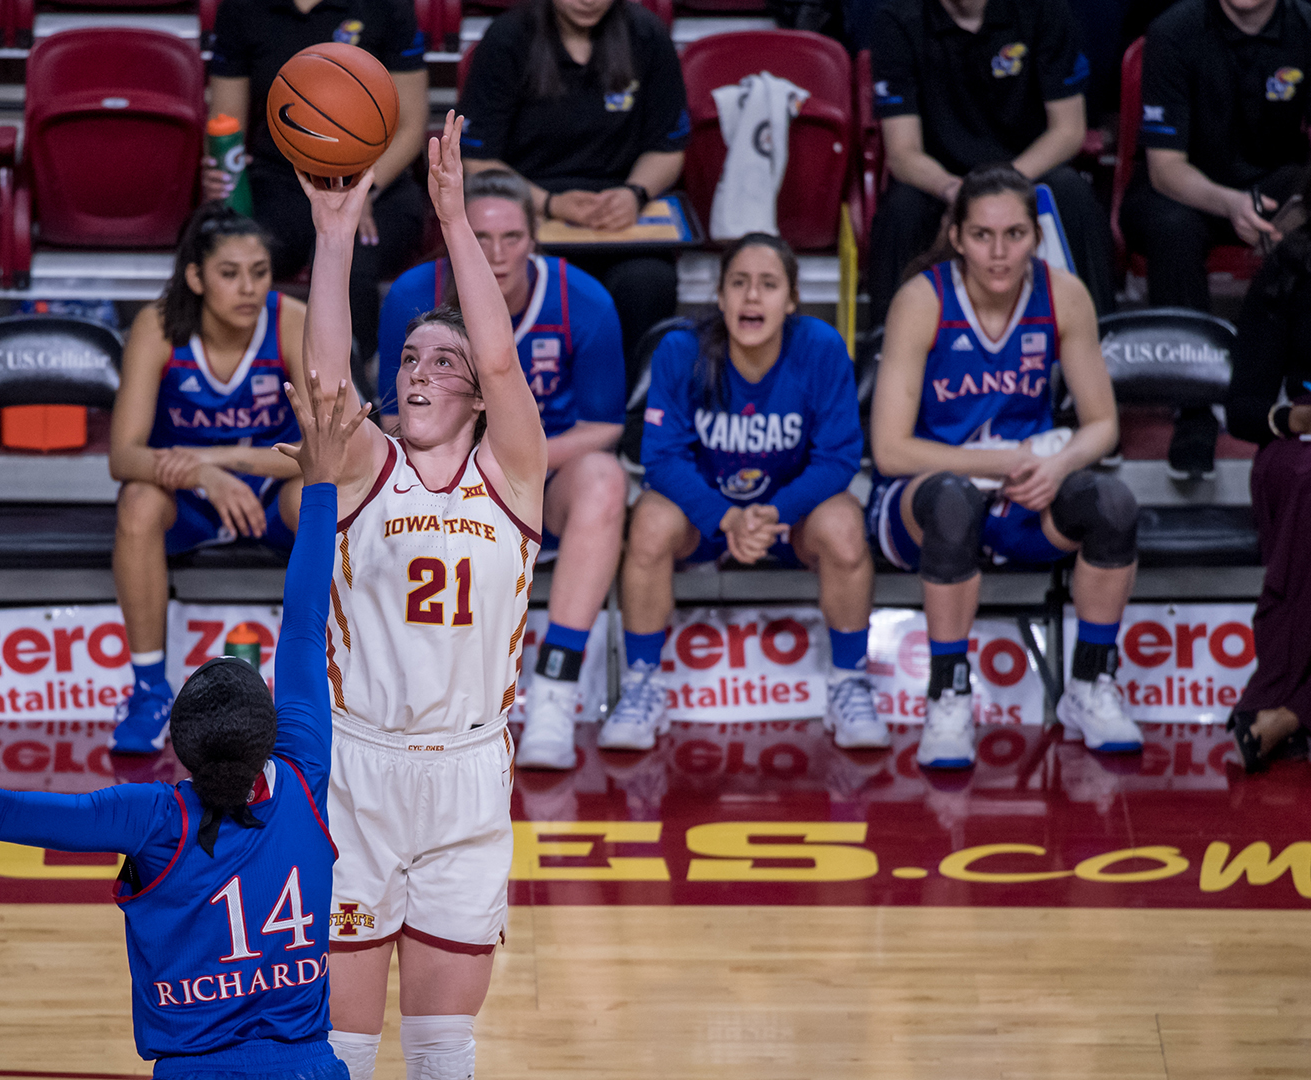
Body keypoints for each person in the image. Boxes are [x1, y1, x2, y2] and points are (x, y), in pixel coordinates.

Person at [0, 372, 366, 1079]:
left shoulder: (154, 819)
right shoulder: (303, 772)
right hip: (311, 1066)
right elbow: (303, 624)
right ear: (273, 732)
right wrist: (321, 484)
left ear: (181, 752)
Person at [295, 111, 545, 1080]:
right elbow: (327, 384)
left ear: (475, 400)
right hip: (360, 771)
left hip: (468, 774)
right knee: (343, 1051)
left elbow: (499, 358)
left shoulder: (512, 476)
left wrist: (450, 217)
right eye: (408, 359)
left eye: (443, 362)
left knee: (444, 1052)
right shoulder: (365, 469)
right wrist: (330, 237)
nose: (423, 372)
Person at [869, 164, 1144, 768]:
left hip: (1023, 496)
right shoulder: (923, 299)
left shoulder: (1063, 294)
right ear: (958, 236)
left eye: (1014, 235)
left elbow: (1103, 424)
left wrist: (1058, 463)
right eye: (983, 235)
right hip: (921, 499)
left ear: (1035, 237)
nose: (999, 252)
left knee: (1113, 504)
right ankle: (948, 695)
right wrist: (1000, 460)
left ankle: (1090, 684)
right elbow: (889, 450)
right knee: (952, 502)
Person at [374, 168, 627, 769]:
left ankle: (555, 697)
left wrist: (507, 462)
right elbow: (391, 415)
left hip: (537, 480)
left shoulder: (584, 301)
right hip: (438, 478)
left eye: (511, 237)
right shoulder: (412, 294)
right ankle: (408, 692)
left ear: (534, 240)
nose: (496, 254)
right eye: (481, 238)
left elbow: (605, 427)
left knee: (603, 479)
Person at [607, 233, 884, 751]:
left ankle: (850, 682)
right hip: (706, 521)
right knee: (648, 521)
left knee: (845, 525)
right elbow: (661, 458)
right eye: (739, 283)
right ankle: (643, 684)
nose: (752, 297)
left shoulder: (820, 347)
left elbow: (839, 460)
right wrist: (725, 518)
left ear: (792, 300)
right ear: (720, 295)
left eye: (768, 285)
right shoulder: (680, 349)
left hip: (790, 520)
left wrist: (772, 512)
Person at [107, 204, 307, 753]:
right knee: (138, 503)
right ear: (195, 276)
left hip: (268, 489)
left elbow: (333, 452)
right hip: (187, 496)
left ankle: (330, 688)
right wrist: (200, 473)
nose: (249, 288)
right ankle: (149, 692)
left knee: (325, 501)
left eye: (260, 272)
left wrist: (222, 461)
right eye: (229, 273)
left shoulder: (291, 320)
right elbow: (122, 456)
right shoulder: (158, 325)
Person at [1120, 0, 1311, 478]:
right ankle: (1193, 410)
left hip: (1277, 184)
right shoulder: (1172, 31)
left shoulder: (1308, 25)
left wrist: (1301, 203)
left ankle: (1296, 389)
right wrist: (1230, 204)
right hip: (1184, 188)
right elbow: (1166, 169)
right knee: (1173, 226)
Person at [458, 0, 689, 369]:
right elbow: (478, 159)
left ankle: (629, 407)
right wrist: (550, 203)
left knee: (648, 280)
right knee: (519, 271)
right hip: (531, 208)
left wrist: (634, 192)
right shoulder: (507, 38)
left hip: (619, 212)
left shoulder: (647, 36)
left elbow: (668, 148)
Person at [204, 0, 428, 363]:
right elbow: (226, 122)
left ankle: (354, 382)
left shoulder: (388, 5)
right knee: (236, 255)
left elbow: (412, 126)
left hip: (377, 181)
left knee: (349, 257)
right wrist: (221, 172)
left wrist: (363, 188)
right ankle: (246, 380)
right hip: (281, 178)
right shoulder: (241, 7)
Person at [867, 0, 1115, 322]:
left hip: (1028, 172)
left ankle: (1105, 341)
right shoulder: (897, 19)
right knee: (901, 210)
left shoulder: (1045, 10)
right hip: (940, 183)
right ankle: (885, 352)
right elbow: (902, 153)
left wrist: (999, 187)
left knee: (1073, 194)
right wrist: (954, 190)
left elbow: (1068, 131)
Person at [1222, 171, 1311, 772]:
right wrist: (1295, 416)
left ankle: (1284, 708)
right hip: (1298, 444)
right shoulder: (1290, 270)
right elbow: (1244, 412)